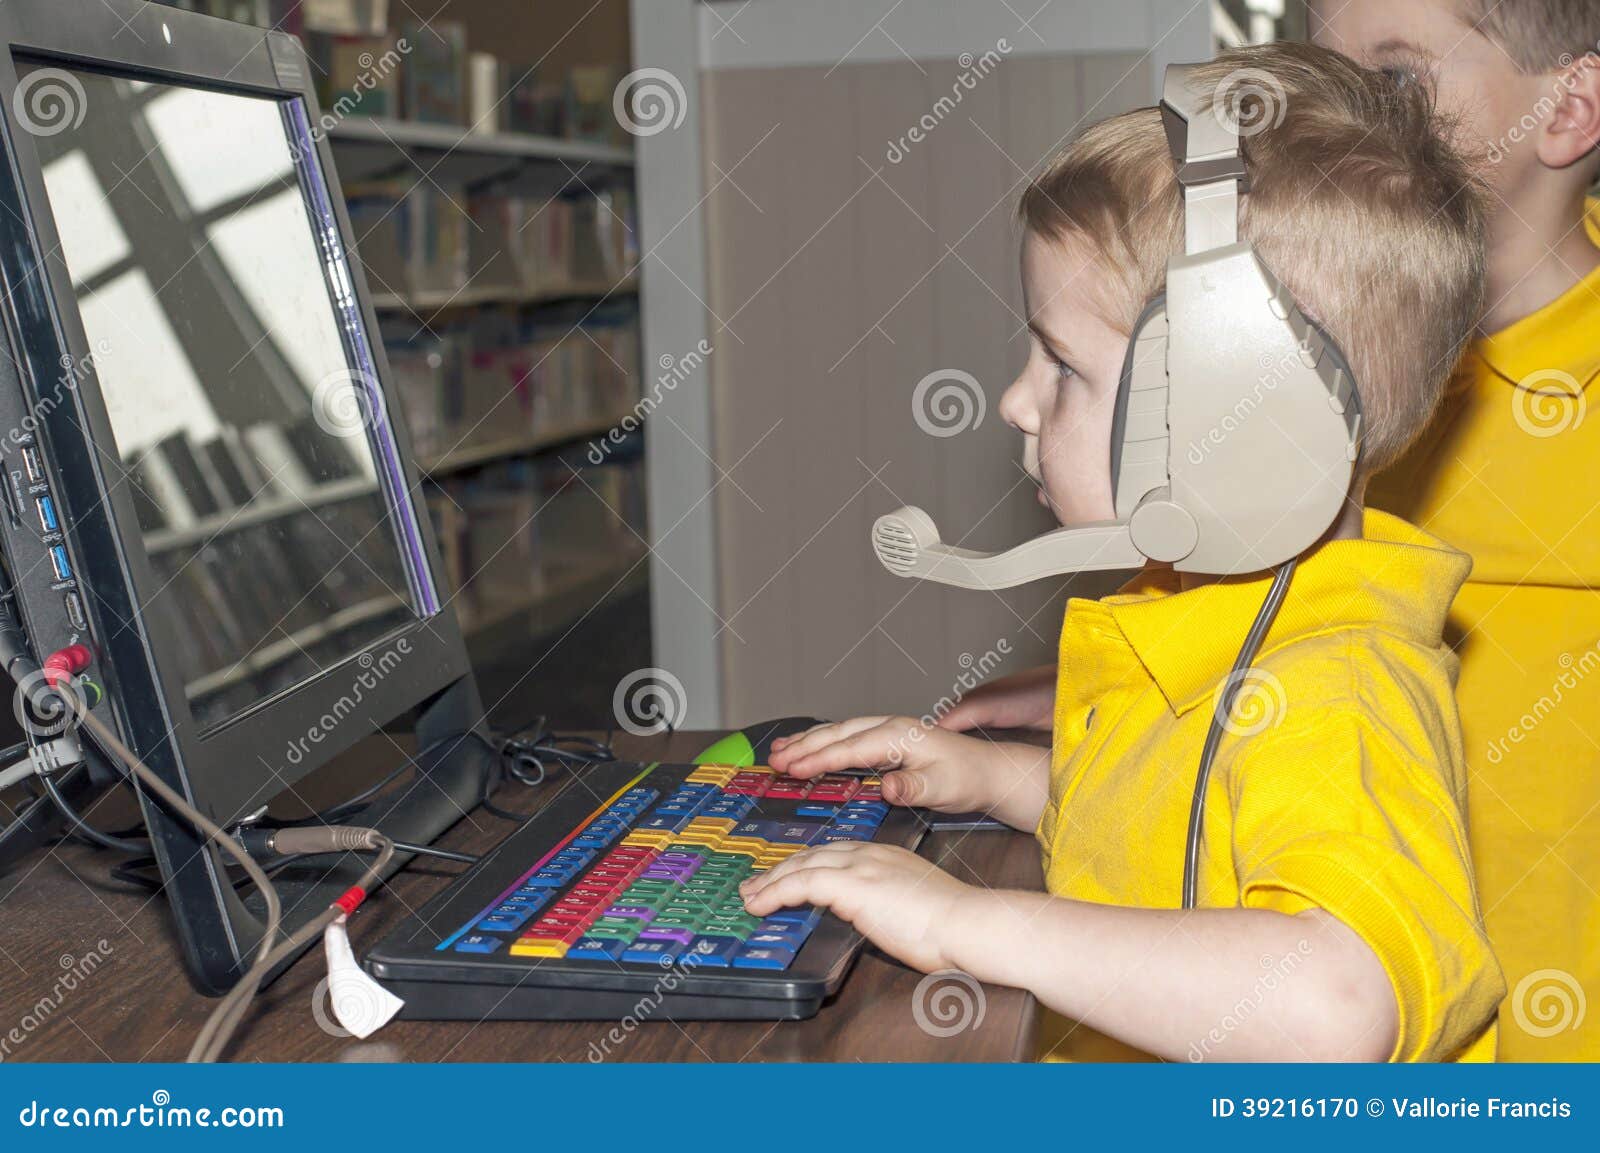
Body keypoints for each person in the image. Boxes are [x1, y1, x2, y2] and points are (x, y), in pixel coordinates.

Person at [740, 42, 1504, 1061]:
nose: (1015, 400)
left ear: (1243, 423)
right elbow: (1175, 828)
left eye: (1061, 366)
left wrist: (965, 923)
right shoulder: (1201, 609)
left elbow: (1335, 1006)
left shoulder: (1339, 691)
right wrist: (990, 779)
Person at [941, 2, 1600, 1061]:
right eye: (1300, 69)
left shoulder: (1349, 677)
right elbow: (1223, 774)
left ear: (1572, 104)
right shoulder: (1266, 444)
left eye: (1389, 86)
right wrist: (1100, 727)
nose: (1334, 117)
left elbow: (1338, 955)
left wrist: (971, 922)